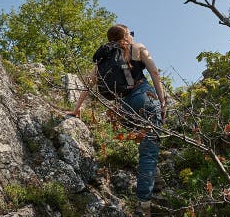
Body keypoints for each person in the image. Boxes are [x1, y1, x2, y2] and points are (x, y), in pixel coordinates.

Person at [68, 24, 166, 217]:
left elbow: (88, 86)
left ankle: (156, 178)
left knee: (144, 140)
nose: (131, 36)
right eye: (130, 33)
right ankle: (143, 206)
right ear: (126, 35)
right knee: (148, 150)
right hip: (144, 97)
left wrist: (76, 109)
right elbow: (155, 73)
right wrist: (162, 101)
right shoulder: (137, 47)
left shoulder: (103, 60)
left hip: (123, 109)